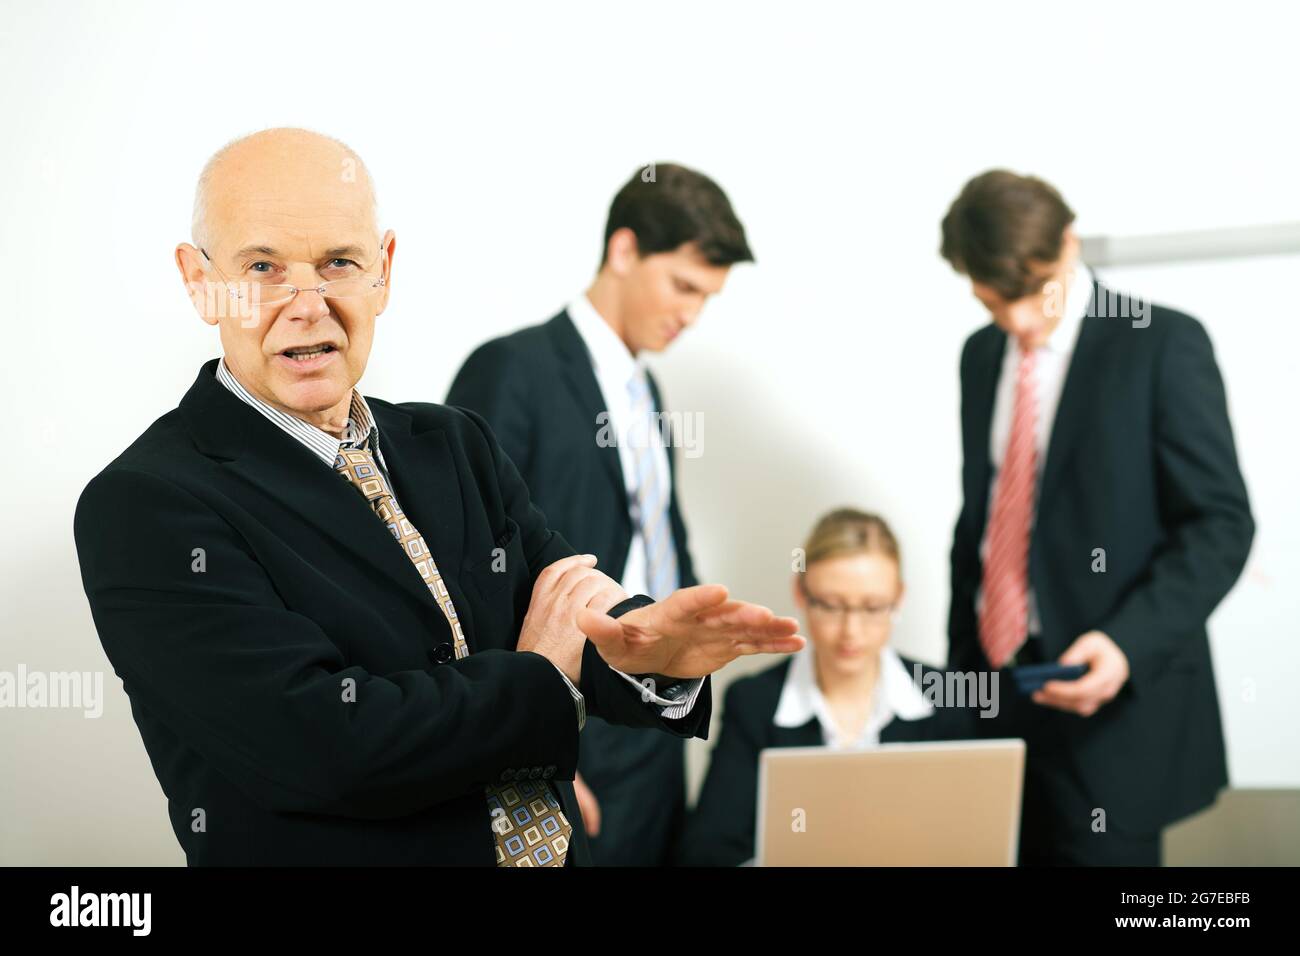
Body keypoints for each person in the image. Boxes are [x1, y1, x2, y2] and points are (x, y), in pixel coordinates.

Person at [72, 128, 803, 866]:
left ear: (382, 271)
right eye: (263, 268)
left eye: (339, 263)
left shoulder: (455, 444)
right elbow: (334, 749)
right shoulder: (147, 506)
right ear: (200, 282)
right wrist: (542, 679)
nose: (307, 304)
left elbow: (570, 607)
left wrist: (654, 651)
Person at [941, 169, 1254, 865]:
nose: (1020, 321)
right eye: (997, 301)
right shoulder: (979, 354)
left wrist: (1125, 644)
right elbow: (985, 515)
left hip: (1112, 712)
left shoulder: (1162, 344)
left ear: (1070, 244)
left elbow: (1221, 524)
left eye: (1032, 291)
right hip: (996, 696)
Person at [446, 163, 752, 865]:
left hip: (654, 721)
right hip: (572, 728)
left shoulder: (648, 389)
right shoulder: (510, 369)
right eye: (683, 286)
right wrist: (533, 752)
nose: (692, 314)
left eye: (708, 297)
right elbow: (472, 572)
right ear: (623, 251)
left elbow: (653, 542)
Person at [680, 509, 976, 867]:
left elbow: (967, 842)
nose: (851, 630)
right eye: (831, 606)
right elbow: (709, 850)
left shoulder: (946, 696)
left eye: (872, 608)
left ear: (899, 599)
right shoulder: (755, 702)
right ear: (801, 594)